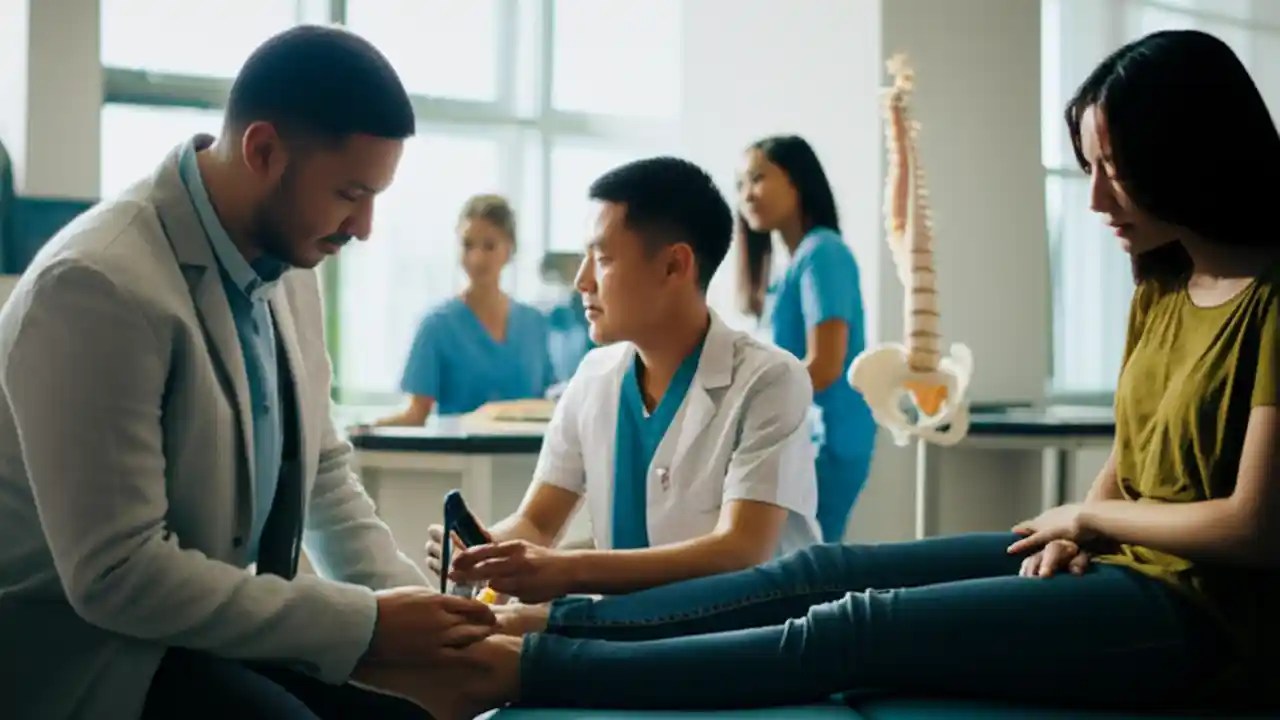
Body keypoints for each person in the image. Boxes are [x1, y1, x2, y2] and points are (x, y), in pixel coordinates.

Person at [354, 30, 1279, 719]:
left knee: (854, 627)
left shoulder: (1272, 301)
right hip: (1116, 555)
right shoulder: (1161, 284)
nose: (1092, 198)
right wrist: (1081, 526)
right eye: (1088, 167)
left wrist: (1087, 515)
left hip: (1200, 612)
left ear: (1186, 152)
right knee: (834, 567)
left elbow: (1252, 525)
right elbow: (1135, 454)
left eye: (1113, 169)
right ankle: (530, 634)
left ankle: (526, 663)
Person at [0, 26, 496, 720]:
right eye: (351, 192)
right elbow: (118, 576)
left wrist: (434, 628)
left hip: (213, 641)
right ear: (262, 150)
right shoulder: (97, 286)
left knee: (423, 710)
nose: (365, 227)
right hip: (96, 661)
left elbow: (322, 474)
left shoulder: (289, 260)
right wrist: (372, 624)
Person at [424, 156, 822, 604]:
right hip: (630, 637)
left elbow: (740, 550)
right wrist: (485, 551)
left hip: (750, 642)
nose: (582, 280)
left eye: (603, 259)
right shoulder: (594, 377)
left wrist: (570, 572)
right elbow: (536, 524)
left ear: (674, 266)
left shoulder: (769, 381)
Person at [736, 135, 876, 542]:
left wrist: (747, 412)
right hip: (804, 438)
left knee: (805, 564)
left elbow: (827, 365)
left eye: (758, 179)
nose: (747, 195)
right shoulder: (792, 266)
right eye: (741, 185)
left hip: (827, 440)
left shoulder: (823, 253)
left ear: (797, 182)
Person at [375, 194, 556, 426]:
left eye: (489, 246)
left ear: (509, 250)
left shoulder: (534, 324)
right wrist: (367, 429)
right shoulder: (437, 326)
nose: (477, 258)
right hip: (460, 459)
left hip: (526, 458)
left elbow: (551, 403)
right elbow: (416, 414)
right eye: (467, 245)